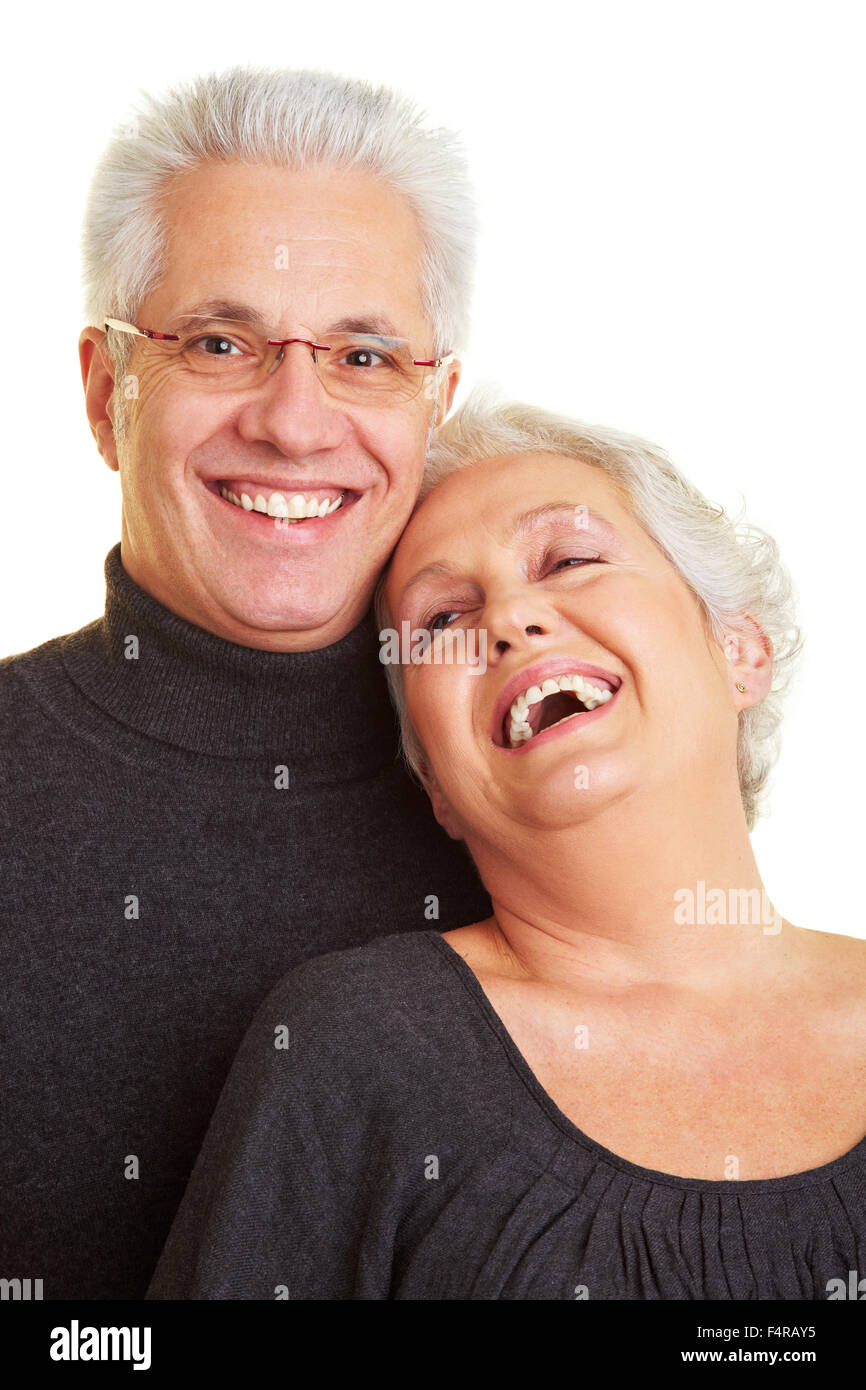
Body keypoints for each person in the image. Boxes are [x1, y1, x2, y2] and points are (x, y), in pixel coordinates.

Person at [147, 392, 866, 1300]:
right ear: (435, 786)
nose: (511, 621)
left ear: (741, 650)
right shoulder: (358, 1046)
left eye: (569, 560)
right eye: (441, 620)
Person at [0, 67, 490, 1301]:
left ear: (433, 403)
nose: (295, 420)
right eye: (220, 343)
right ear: (109, 394)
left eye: (364, 354)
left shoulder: (539, 788)